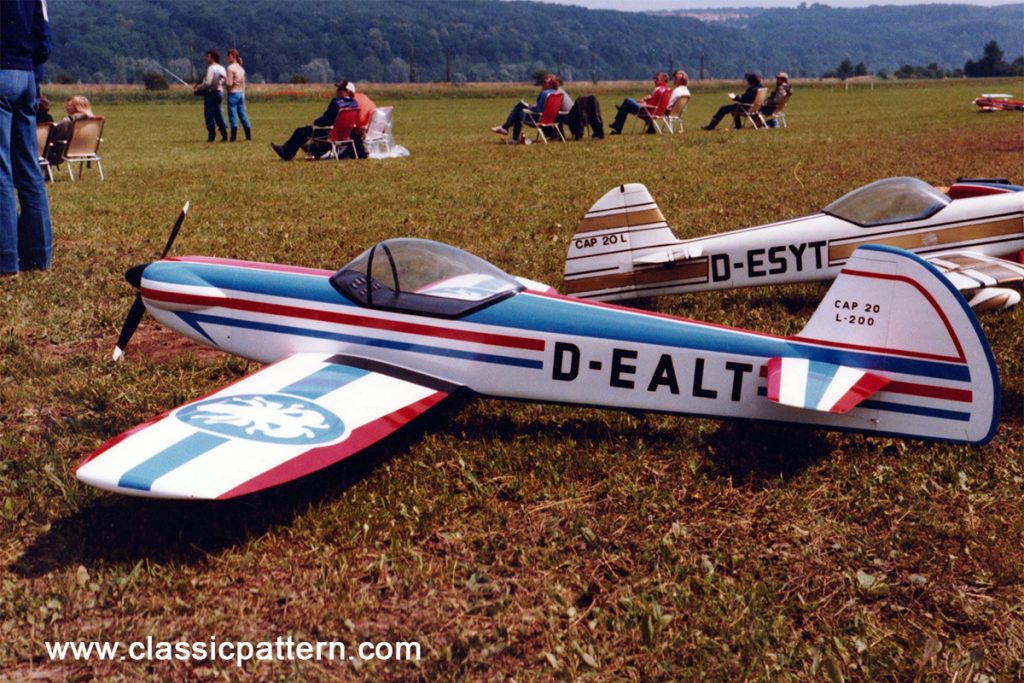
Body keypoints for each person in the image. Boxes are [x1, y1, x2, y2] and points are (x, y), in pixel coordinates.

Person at [1, 0, 53, 276]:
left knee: (2, 172)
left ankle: (6, 259)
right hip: (27, 77)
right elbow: (43, 41)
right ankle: (38, 256)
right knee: (30, 170)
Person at [270, 80, 364, 160]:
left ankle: (286, 153)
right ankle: (314, 150)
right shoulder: (355, 104)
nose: (337, 91)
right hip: (345, 134)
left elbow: (325, 120)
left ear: (347, 91)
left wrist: (316, 122)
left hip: (329, 132)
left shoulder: (336, 103)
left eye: (340, 89)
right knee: (307, 131)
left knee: (300, 132)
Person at [490, 74, 559, 143]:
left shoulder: (544, 93)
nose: (542, 84)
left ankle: (509, 132)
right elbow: (545, 108)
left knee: (519, 112)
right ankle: (506, 129)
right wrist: (531, 106)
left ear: (551, 85)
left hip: (538, 119)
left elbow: (538, 110)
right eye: (542, 82)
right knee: (520, 109)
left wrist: (529, 107)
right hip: (550, 119)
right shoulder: (556, 93)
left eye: (544, 82)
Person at [46, 95, 94, 165]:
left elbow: (54, 136)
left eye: (69, 105)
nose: (66, 107)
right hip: (86, 148)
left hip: (62, 151)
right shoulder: (92, 121)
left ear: (77, 107)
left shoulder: (68, 121)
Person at [193, 49, 228, 142]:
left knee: (209, 115)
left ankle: (211, 135)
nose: (206, 58)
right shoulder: (222, 68)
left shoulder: (211, 68)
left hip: (210, 94)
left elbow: (208, 83)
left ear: (213, 58)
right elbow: (224, 81)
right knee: (219, 114)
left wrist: (199, 88)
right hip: (219, 93)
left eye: (208, 57)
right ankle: (224, 133)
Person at [225, 48, 251, 141]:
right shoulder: (241, 69)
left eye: (228, 56)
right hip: (240, 93)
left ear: (232, 56)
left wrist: (224, 81)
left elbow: (229, 84)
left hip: (233, 93)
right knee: (243, 114)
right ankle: (248, 136)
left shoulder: (230, 68)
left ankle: (233, 137)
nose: (227, 58)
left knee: (233, 115)